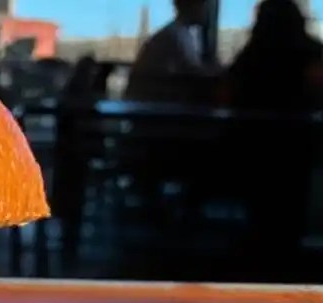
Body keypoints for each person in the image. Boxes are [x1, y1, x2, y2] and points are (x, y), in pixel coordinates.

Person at [223, 0, 323, 268]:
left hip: (253, 145)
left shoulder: (250, 56)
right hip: (298, 142)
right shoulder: (312, 52)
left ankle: (259, 258)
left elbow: (229, 94)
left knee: (260, 210)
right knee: (292, 211)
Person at [126, 0, 218, 102]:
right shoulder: (175, 36)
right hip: (150, 108)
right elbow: (193, 73)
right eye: (203, 5)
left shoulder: (182, 33)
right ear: (192, 6)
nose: (206, 11)